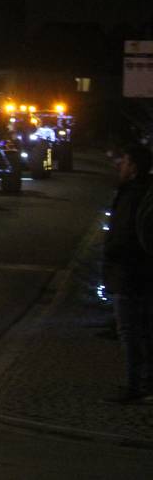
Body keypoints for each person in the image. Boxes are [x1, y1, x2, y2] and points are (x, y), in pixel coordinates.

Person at [102, 143, 153, 403]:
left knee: (130, 331)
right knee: (142, 330)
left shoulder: (131, 195)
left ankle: (136, 386)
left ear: (133, 168)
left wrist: (111, 255)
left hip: (129, 274)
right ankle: (145, 382)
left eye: (123, 162)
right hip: (140, 272)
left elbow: (122, 236)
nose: (118, 166)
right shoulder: (144, 192)